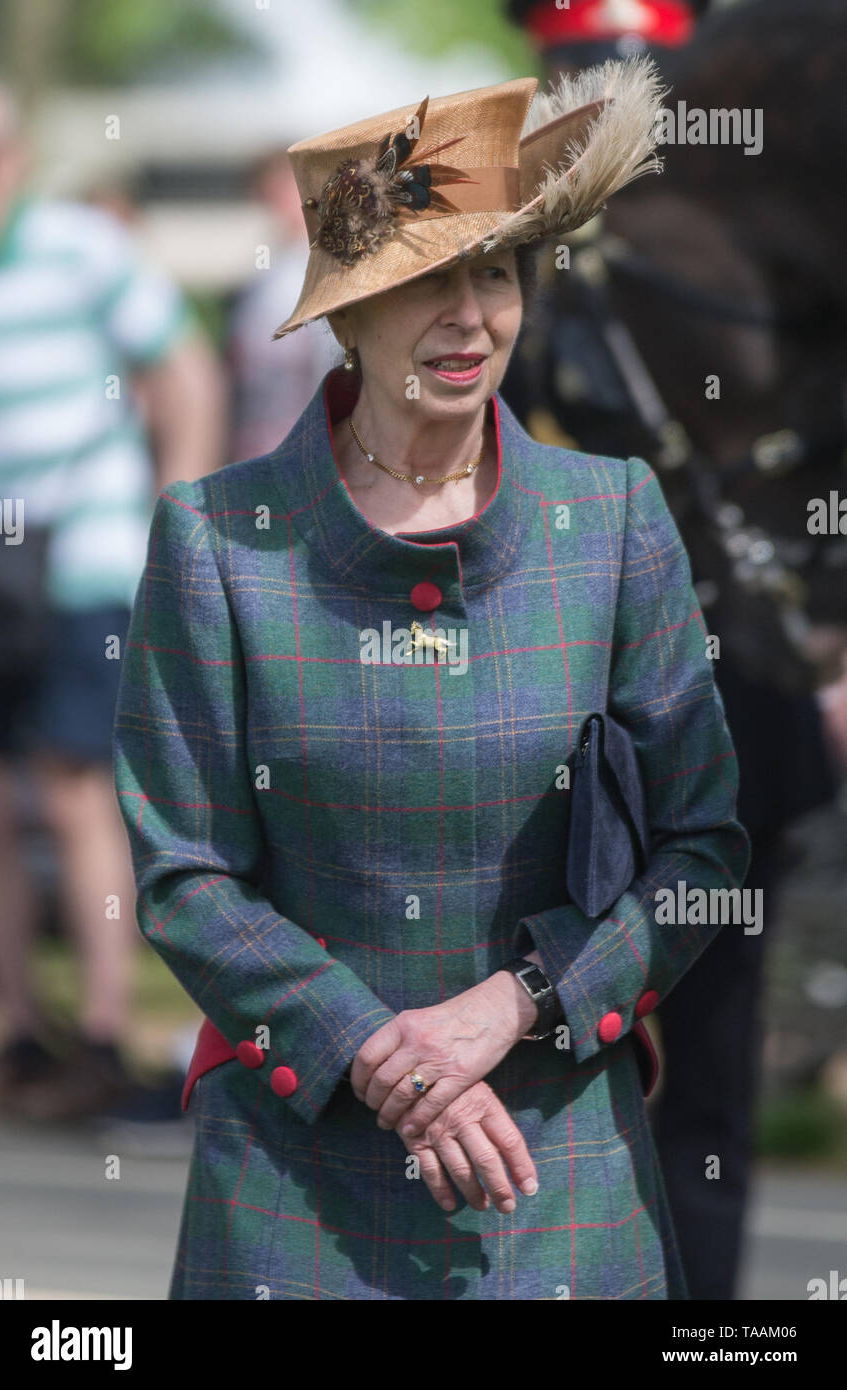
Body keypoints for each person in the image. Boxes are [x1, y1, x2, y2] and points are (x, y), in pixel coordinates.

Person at [113, 62, 750, 1300]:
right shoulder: (218, 539)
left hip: (554, 1172)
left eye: (493, 273)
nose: (469, 319)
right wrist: (368, 1047)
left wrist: (509, 1006)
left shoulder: (611, 518)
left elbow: (703, 853)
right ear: (349, 313)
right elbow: (183, 874)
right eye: (423, 280)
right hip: (296, 1193)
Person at [502, 0, 841, 1298]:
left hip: (596, 701)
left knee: (631, 1067)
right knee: (684, 1076)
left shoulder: (545, 253)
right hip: (679, 696)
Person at [0, 74, 226, 1121]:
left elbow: (185, 373)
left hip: (82, 562)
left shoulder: (82, 248)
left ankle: (103, 1034)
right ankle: (22, 1033)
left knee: (76, 791)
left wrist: (176, 522)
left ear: (19, 159)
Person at [226, 148, 338, 460]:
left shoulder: (328, 270)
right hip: (260, 445)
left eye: (283, 188)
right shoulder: (262, 277)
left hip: (312, 446)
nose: (272, 201)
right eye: (266, 191)